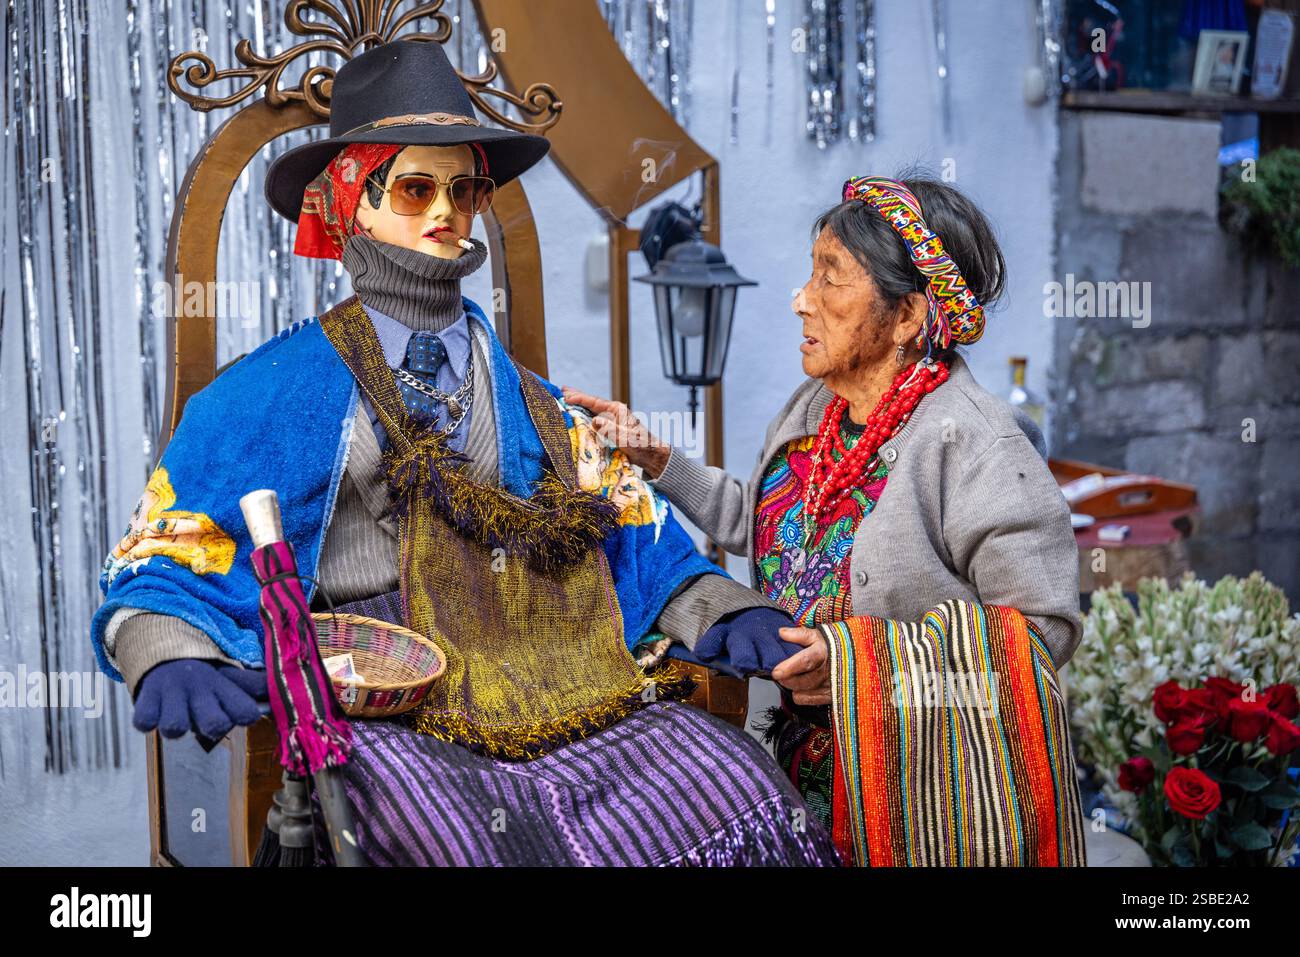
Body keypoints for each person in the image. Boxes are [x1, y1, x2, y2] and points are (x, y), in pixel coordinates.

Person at [90, 40, 834, 866]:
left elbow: (636, 535)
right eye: (415, 187)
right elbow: (165, 550)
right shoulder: (270, 395)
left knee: (735, 783)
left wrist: (725, 610)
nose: (445, 210)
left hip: (557, 677)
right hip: (387, 702)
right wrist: (168, 650)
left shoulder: (536, 403)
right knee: (448, 842)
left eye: (464, 187)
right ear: (351, 202)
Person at [564, 174, 1088, 865]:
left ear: (908, 316)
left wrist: (861, 664)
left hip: (920, 804)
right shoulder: (815, 410)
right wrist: (657, 457)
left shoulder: (975, 444)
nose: (801, 301)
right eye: (810, 275)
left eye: (830, 279)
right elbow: (763, 520)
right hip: (800, 777)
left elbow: (1041, 633)